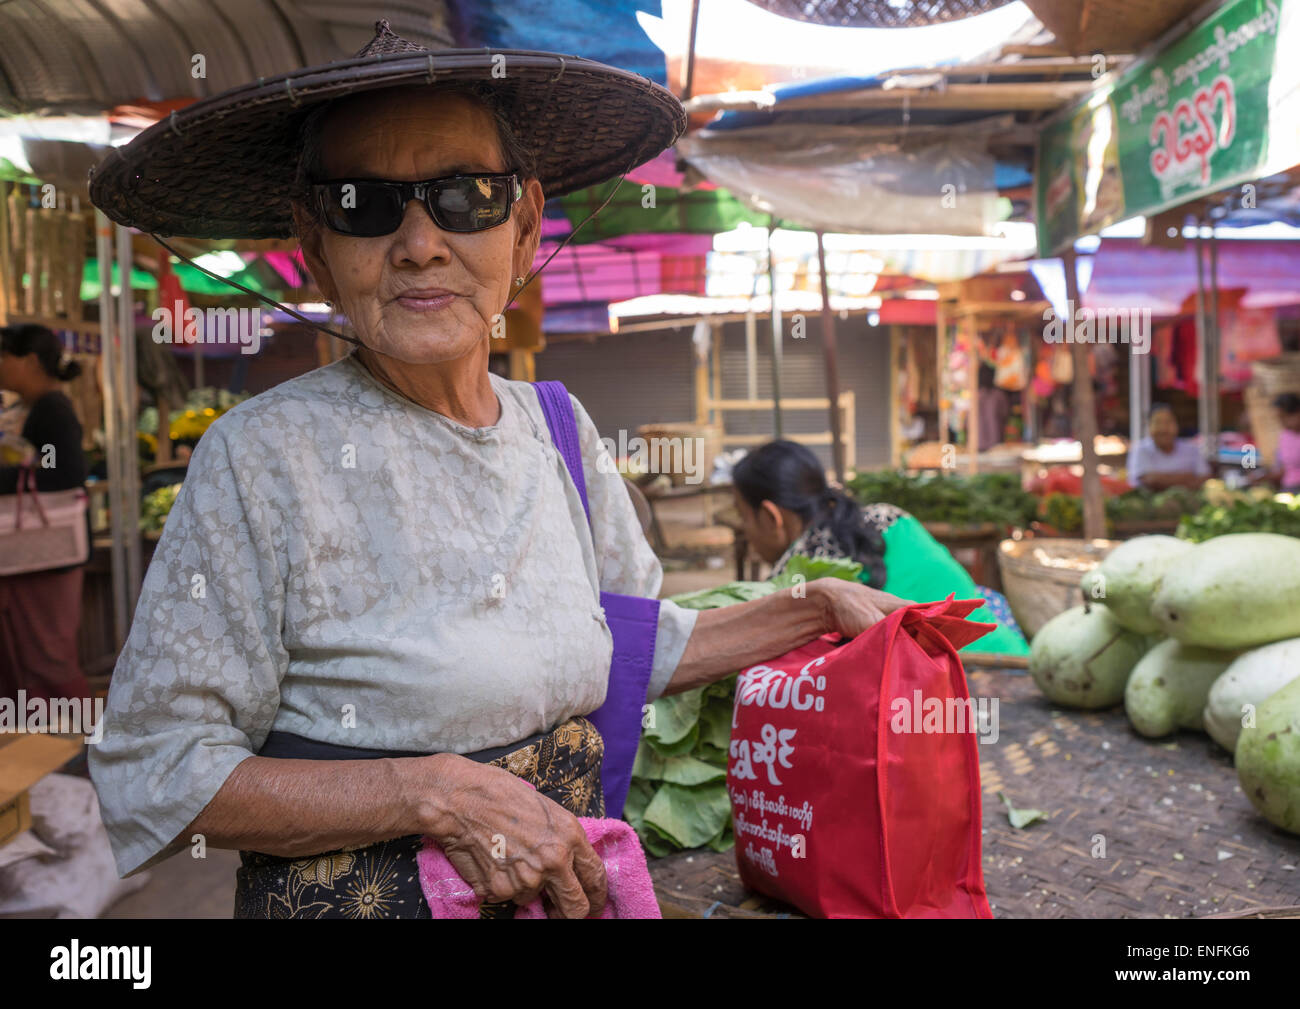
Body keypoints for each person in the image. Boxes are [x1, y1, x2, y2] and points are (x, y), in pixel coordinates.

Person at [85, 22, 908, 919]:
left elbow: (629, 645)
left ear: (522, 228)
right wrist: (431, 792)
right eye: (364, 203)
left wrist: (814, 606)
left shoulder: (555, 425)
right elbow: (155, 770)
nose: (419, 242)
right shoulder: (261, 458)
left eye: (464, 197)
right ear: (316, 246)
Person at [731, 440, 1029, 657]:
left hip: (965, 695)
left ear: (771, 517)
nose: (746, 530)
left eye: (744, 517)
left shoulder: (793, 583)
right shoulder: (890, 516)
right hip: (1018, 661)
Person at [0, 324, 90, 705]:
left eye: (4, 357)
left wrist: (12, 474)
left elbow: (60, 472)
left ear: (30, 361)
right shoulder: (37, 408)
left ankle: (76, 748)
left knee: (47, 656)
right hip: (35, 551)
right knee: (33, 654)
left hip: (47, 550)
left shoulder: (51, 409)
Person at [1127, 403, 1210, 490]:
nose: (1163, 429)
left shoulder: (1192, 449)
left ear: (1177, 425)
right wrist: (1188, 477)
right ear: (1149, 426)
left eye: (1168, 422)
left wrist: (1161, 478)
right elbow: (1150, 481)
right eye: (1157, 422)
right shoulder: (1140, 450)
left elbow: (1205, 478)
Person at [1264, 393, 1300, 492]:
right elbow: (1284, 467)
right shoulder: (1285, 435)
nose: (1282, 422)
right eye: (1279, 418)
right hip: (1288, 489)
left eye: (1284, 417)